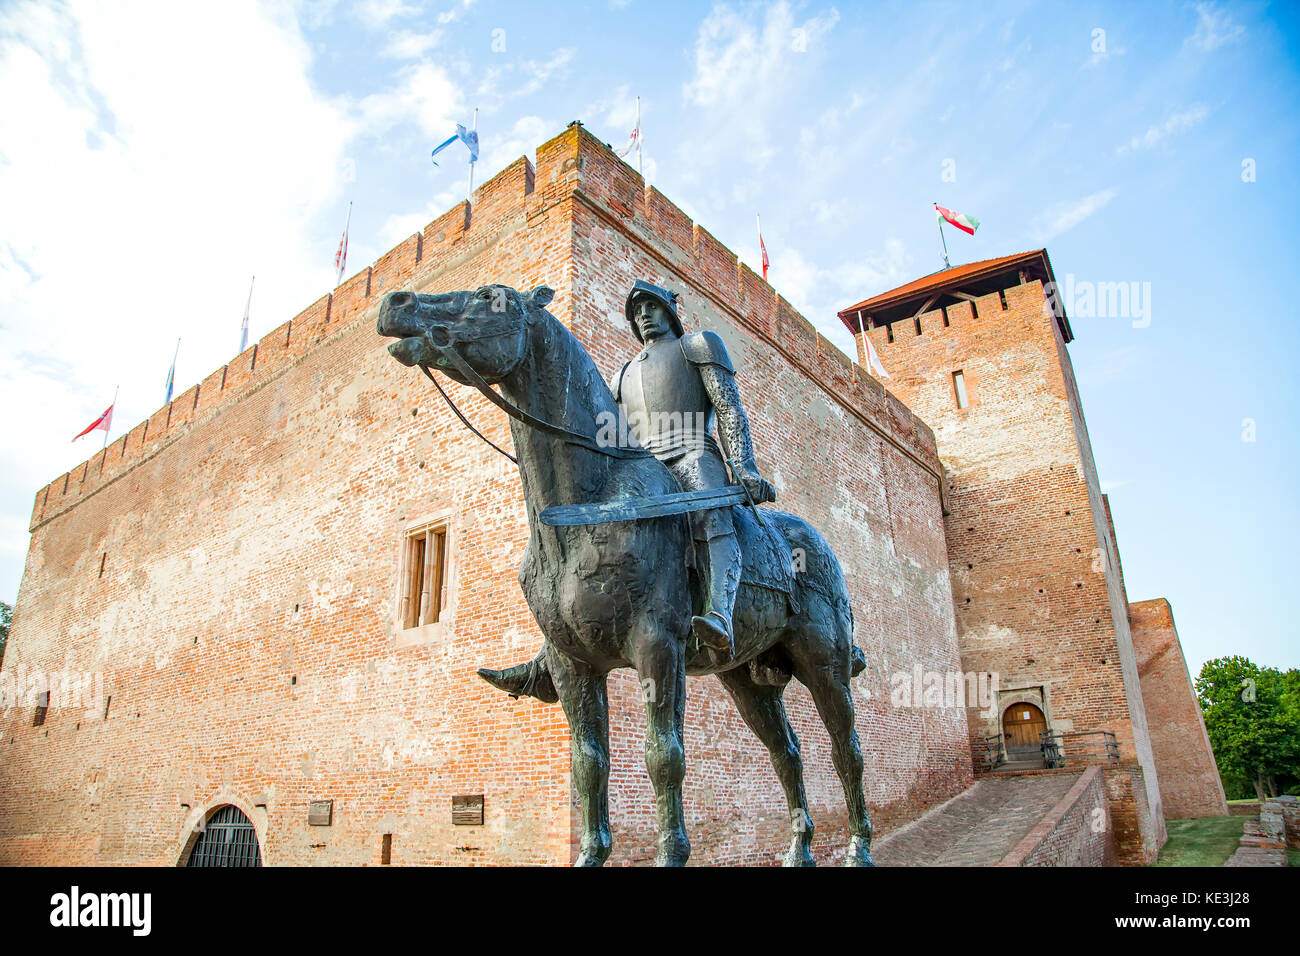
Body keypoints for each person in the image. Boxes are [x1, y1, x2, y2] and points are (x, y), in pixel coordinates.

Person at [479, 280, 775, 701]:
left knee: (712, 518)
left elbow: (729, 407)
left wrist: (744, 467)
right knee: (591, 547)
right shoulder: (621, 376)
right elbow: (613, 436)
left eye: (651, 307)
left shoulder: (699, 346)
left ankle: (721, 615)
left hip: (693, 452)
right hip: (643, 466)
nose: (643, 317)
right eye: (637, 313)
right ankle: (553, 655)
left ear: (670, 310)